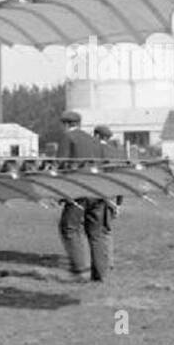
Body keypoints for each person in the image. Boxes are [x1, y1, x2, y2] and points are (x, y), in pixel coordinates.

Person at [55, 110, 108, 282]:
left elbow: (60, 165)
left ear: (65, 124)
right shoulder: (94, 140)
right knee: (96, 233)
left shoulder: (68, 138)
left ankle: (80, 270)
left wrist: (59, 190)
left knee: (69, 227)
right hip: (99, 190)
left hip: (79, 190)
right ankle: (100, 275)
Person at [93, 125, 127, 268]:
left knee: (95, 231)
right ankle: (109, 261)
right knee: (107, 230)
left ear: (96, 136)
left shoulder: (94, 152)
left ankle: (100, 262)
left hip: (97, 194)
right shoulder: (118, 154)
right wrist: (119, 203)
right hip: (114, 195)